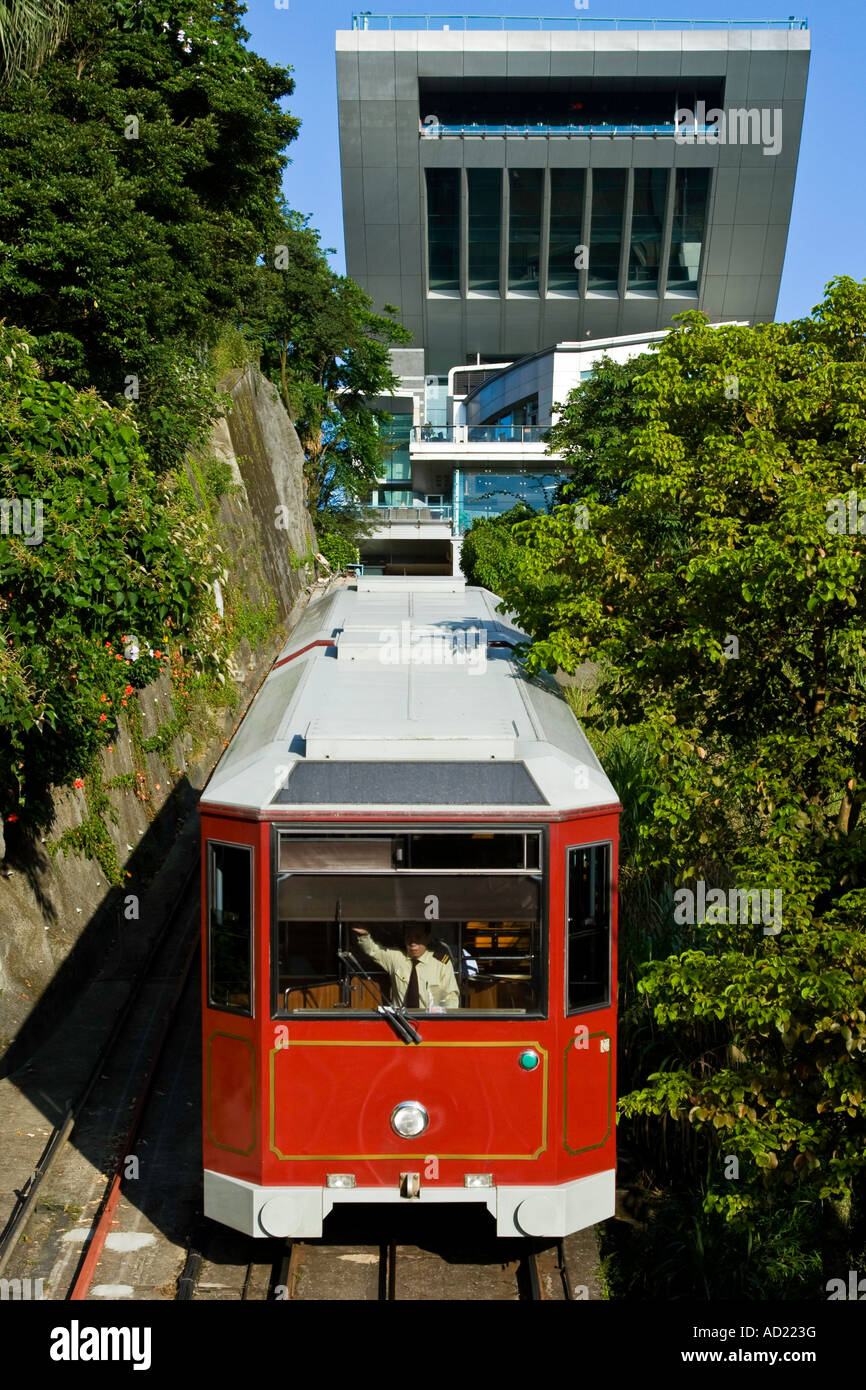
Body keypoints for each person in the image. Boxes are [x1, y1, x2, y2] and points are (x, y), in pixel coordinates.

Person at [351, 924, 459, 1010]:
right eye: (408, 937)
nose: (412, 943)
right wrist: (364, 936)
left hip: (430, 1022)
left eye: (418, 937)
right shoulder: (396, 958)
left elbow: (451, 997)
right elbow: (373, 951)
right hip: (401, 1022)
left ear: (427, 938)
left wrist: (444, 1021)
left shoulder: (441, 964)